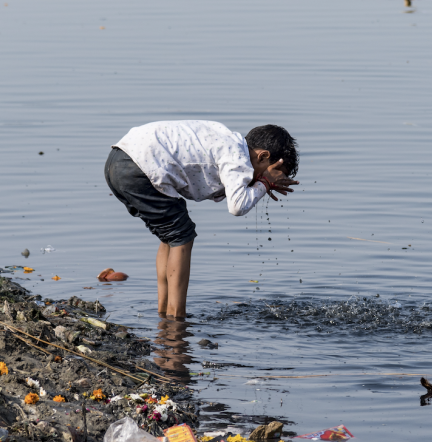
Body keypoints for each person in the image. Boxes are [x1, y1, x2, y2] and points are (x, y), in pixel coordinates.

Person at [105, 121, 298, 318]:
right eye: (269, 172)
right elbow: (237, 206)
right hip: (140, 167)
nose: (258, 178)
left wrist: (263, 180)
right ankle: (176, 318)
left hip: (119, 160)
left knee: (170, 236)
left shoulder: (227, 140)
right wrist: (265, 183)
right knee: (182, 236)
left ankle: (163, 314)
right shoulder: (238, 158)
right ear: (263, 155)